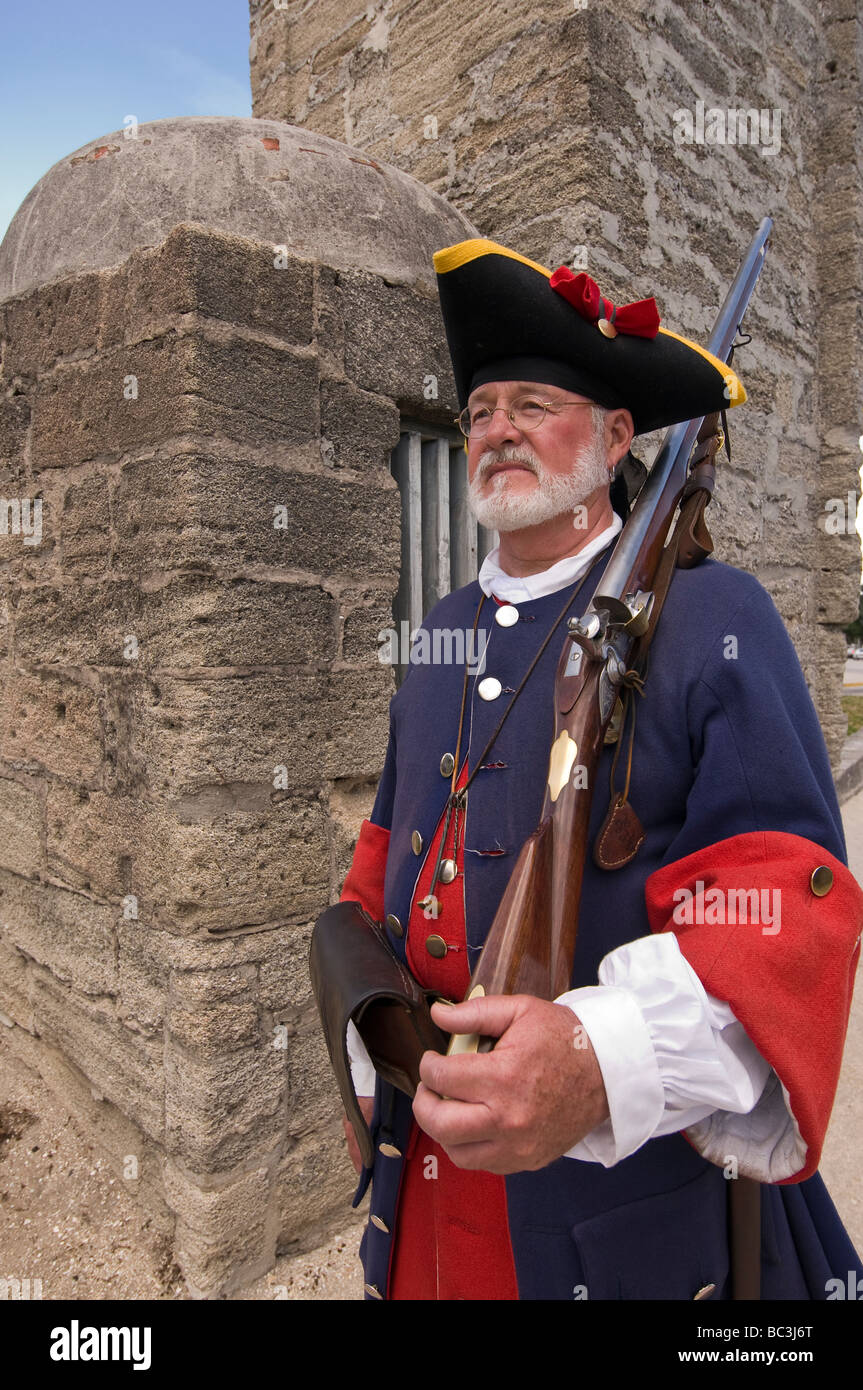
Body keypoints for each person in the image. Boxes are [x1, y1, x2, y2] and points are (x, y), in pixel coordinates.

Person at [336, 238, 863, 1300]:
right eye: (481, 411)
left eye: (532, 404)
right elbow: (383, 858)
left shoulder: (716, 616)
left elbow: (781, 918)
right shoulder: (443, 627)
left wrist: (593, 1060)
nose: (495, 432)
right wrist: (365, 1016)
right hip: (425, 1187)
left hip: (616, 1218)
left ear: (616, 434)